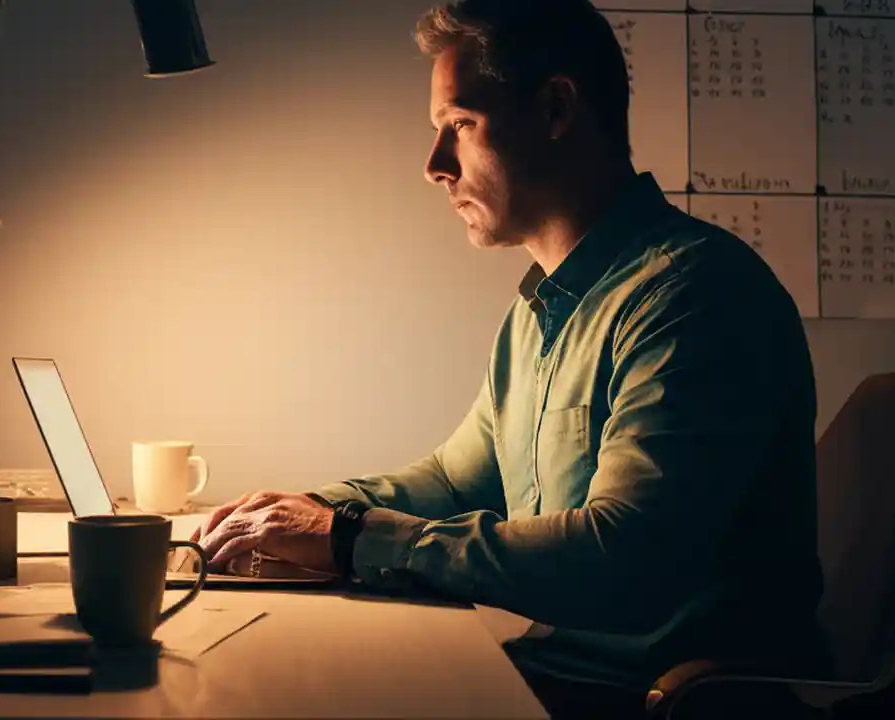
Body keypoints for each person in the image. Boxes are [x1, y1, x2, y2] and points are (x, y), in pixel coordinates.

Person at [190, 0, 826, 716]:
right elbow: (455, 480)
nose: (434, 166)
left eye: (459, 125)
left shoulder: (694, 295)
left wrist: (348, 538)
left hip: (654, 701)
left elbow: (625, 560)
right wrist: (309, 511)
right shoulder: (539, 312)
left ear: (556, 109)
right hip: (567, 676)